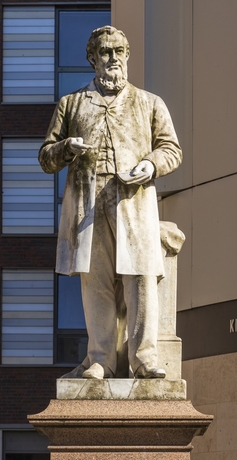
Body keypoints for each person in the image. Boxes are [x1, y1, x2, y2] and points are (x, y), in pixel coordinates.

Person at [39, 25, 182, 379]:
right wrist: (65, 148)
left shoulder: (149, 102)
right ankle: (101, 358)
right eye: (105, 52)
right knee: (96, 281)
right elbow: (45, 157)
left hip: (133, 202)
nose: (113, 58)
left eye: (119, 51)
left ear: (127, 55)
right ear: (92, 59)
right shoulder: (70, 104)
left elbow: (171, 149)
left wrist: (150, 165)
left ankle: (144, 358)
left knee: (141, 279)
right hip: (87, 207)